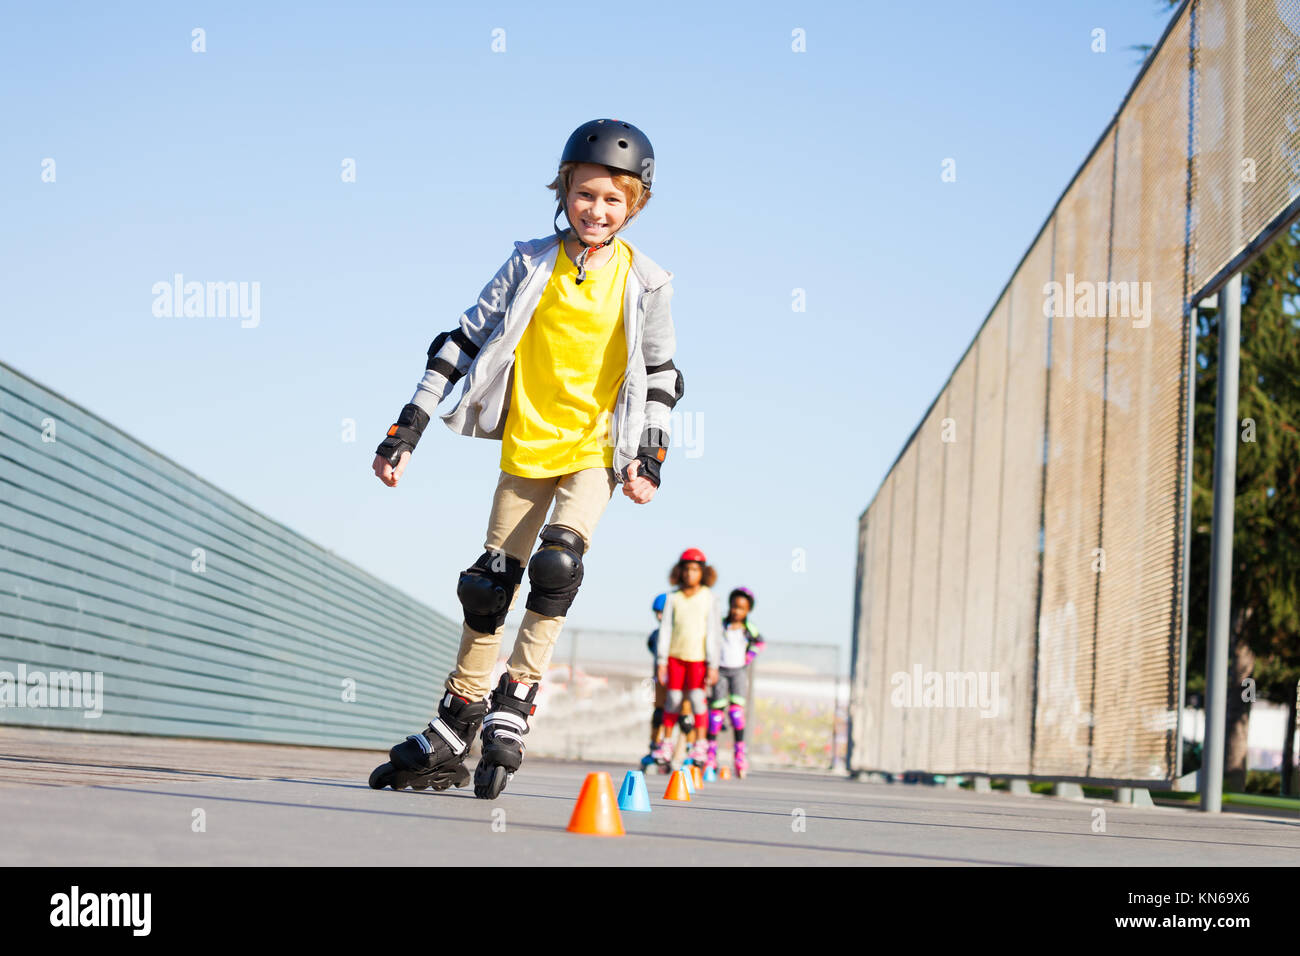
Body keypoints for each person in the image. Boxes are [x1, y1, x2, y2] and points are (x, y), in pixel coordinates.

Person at [367, 119, 684, 799]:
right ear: (563, 188)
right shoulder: (528, 262)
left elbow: (661, 373)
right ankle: (458, 719)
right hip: (526, 445)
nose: (596, 210)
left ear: (636, 206)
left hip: (597, 450)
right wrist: (406, 429)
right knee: (488, 584)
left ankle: (518, 697)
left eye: (613, 200)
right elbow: (457, 342)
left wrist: (649, 457)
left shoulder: (648, 282)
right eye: (584, 194)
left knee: (557, 563)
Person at [653, 549, 722, 769]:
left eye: (695, 570)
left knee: (696, 700)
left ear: (703, 572)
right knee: (672, 700)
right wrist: (662, 661)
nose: (690, 574)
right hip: (675, 657)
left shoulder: (709, 599)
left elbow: (714, 632)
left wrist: (713, 664)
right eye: (687, 570)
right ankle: (665, 744)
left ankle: (701, 745)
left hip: (698, 659)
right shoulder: (673, 598)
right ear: (680, 572)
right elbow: (666, 630)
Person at [707, 586, 765, 778]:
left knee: (736, 713)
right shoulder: (721, 625)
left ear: (748, 610)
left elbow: (760, 643)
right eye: (734, 606)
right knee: (715, 715)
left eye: (741, 608)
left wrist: (748, 657)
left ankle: (740, 755)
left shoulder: (749, 629)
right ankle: (711, 755)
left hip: (738, 672)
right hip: (720, 671)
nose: (736, 611)